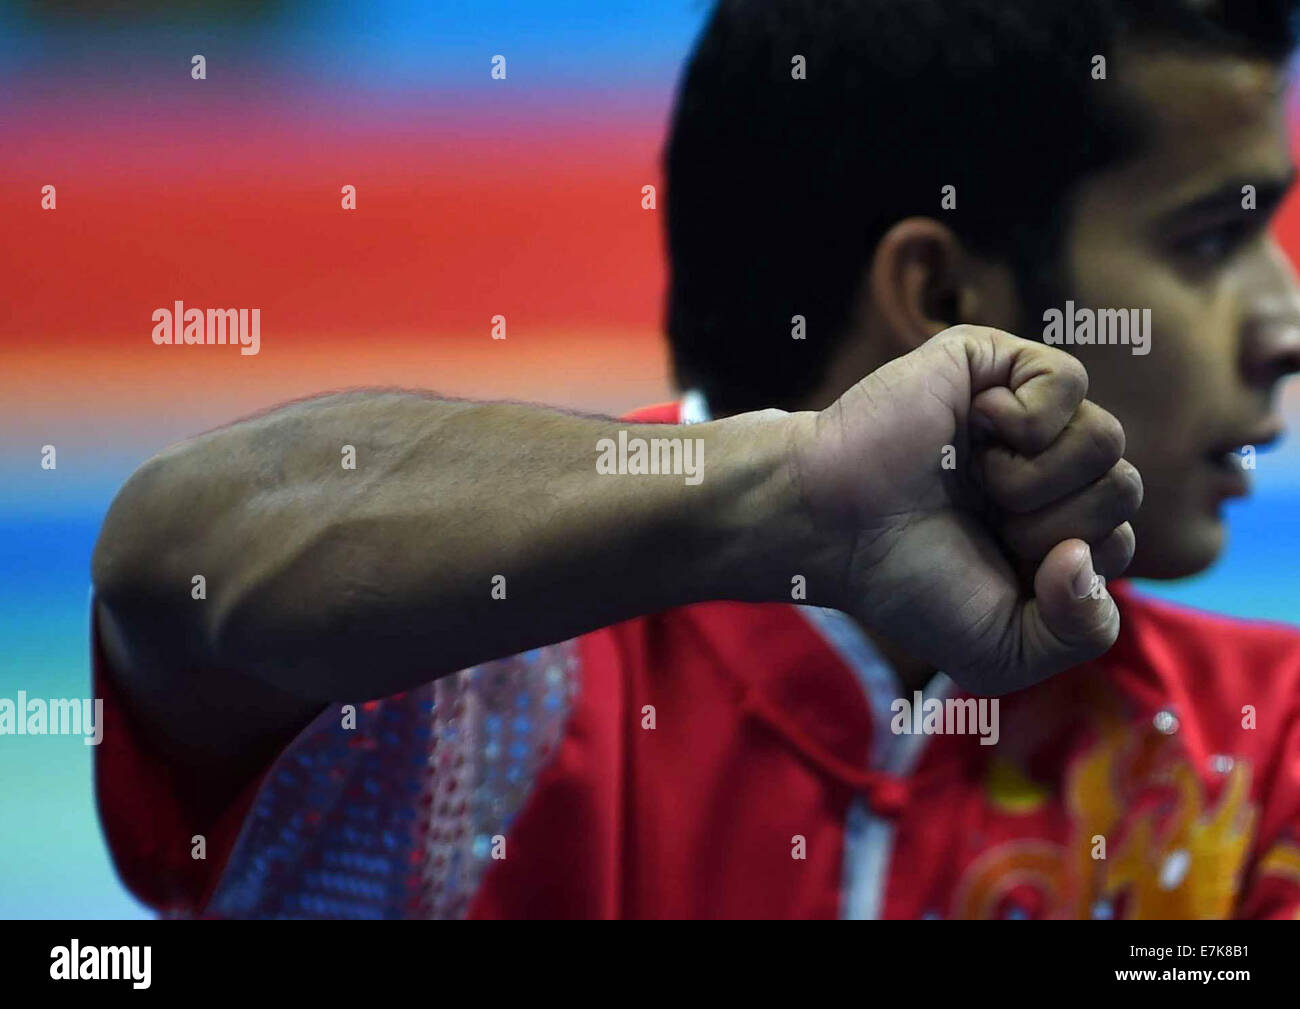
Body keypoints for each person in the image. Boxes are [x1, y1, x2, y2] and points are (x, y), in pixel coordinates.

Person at [92, 0, 1300, 918]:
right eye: (1210, 237)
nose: (1284, 326)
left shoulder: (1256, 753)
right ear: (939, 294)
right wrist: (787, 497)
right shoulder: (464, 679)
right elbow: (164, 560)